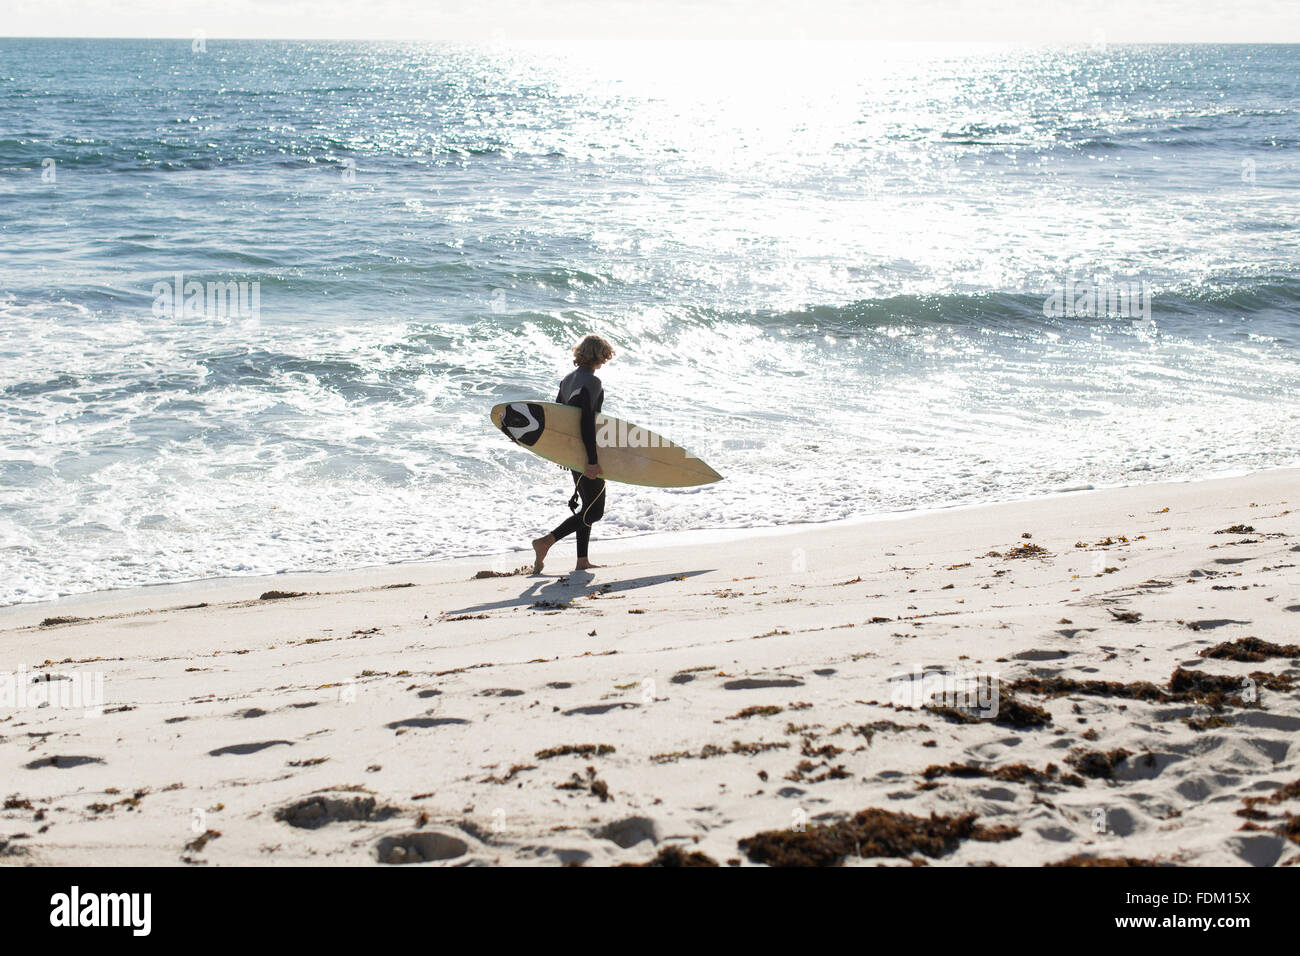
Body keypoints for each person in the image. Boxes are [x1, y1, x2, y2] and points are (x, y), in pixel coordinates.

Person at [532, 335, 615, 573]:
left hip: (571, 451)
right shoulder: (593, 382)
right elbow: (587, 423)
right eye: (605, 356)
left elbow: (558, 419)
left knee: (588, 505)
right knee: (595, 510)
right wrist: (592, 460)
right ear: (599, 354)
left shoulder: (566, 380)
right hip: (585, 452)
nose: (605, 361)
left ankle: (582, 560)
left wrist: (559, 452)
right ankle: (546, 542)